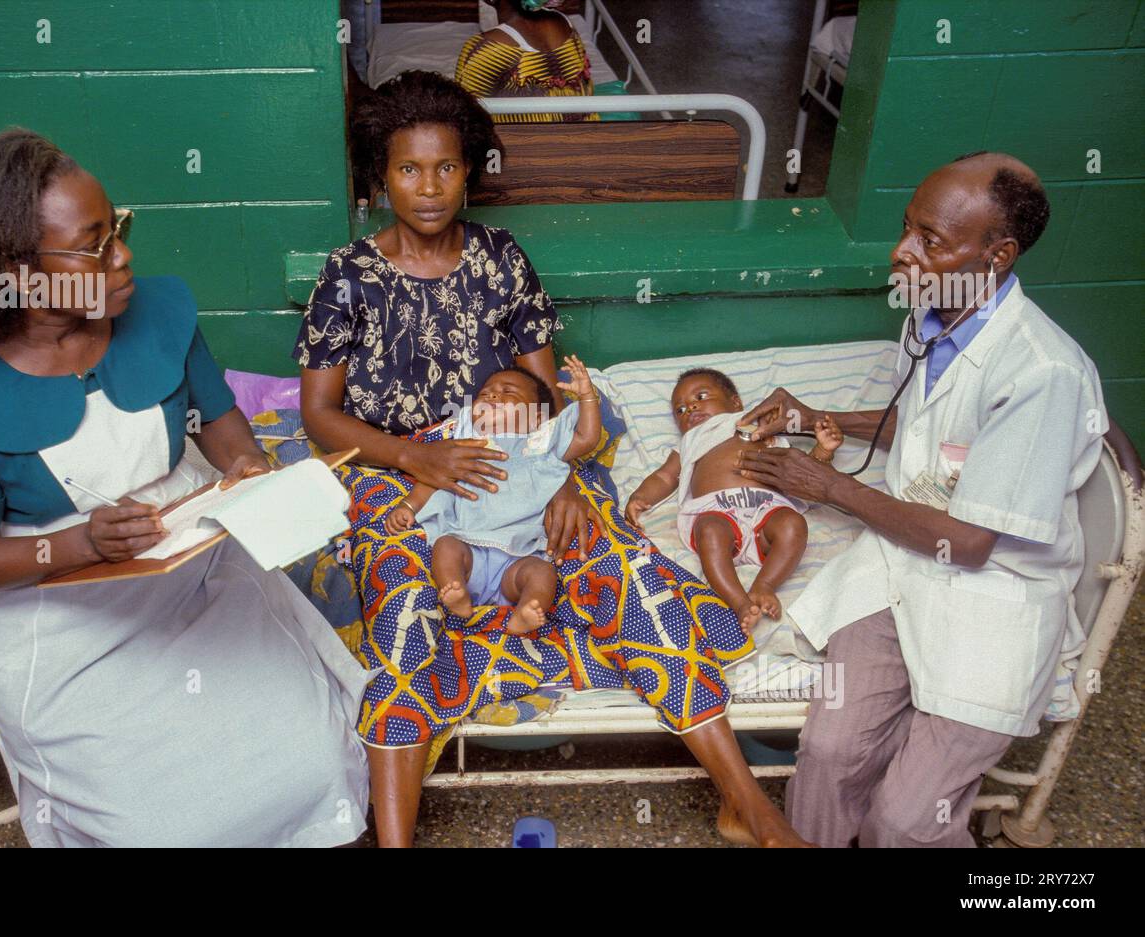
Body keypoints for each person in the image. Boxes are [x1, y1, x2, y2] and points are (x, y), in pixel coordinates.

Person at [297, 70, 809, 847]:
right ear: (380, 174)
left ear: (470, 169)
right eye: (408, 168)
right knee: (408, 604)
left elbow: (546, 394)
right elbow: (318, 414)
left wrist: (567, 476)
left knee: (620, 567)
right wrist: (416, 458)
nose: (429, 187)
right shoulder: (348, 275)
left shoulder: (501, 256)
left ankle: (748, 803)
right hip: (396, 467)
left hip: (524, 461)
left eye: (446, 167)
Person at [0, 127, 371, 847]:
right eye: (94, 244)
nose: (123, 256)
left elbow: (220, 420)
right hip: (66, 622)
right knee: (159, 823)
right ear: (13, 269)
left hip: (195, 576)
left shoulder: (157, 315)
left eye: (119, 230)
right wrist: (78, 542)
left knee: (307, 759)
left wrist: (247, 468)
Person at [736, 152, 1106, 847]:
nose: (901, 253)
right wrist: (816, 415)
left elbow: (969, 542)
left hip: (992, 594)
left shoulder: (1041, 373)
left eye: (929, 241)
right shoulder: (936, 310)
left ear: (997, 256)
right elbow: (935, 423)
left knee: (907, 819)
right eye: (907, 228)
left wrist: (829, 486)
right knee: (828, 754)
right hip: (901, 569)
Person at [387, 357, 600, 633]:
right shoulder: (464, 443)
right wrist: (409, 505)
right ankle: (455, 590)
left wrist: (587, 396)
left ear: (536, 418)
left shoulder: (541, 443)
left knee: (542, 573)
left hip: (519, 557)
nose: (493, 395)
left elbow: (587, 438)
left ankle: (527, 608)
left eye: (508, 393)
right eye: (485, 394)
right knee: (445, 547)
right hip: (468, 547)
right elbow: (434, 478)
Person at [625, 368, 843, 631]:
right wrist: (640, 496)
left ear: (736, 403)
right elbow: (665, 477)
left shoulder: (760, 427)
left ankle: (764, 585)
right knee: (709, 531)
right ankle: (739, 602)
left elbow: (804, 473)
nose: (690, 407)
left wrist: (822, 451)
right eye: (679, 410)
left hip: (767, 507)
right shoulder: (690, 440)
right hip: (718, 510)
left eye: (701, 396)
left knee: (793, 524)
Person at [456, 0, 597, 122]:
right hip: (585, 137)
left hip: (529, 146)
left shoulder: (487, 48)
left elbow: (464, 116)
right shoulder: (565, 23)